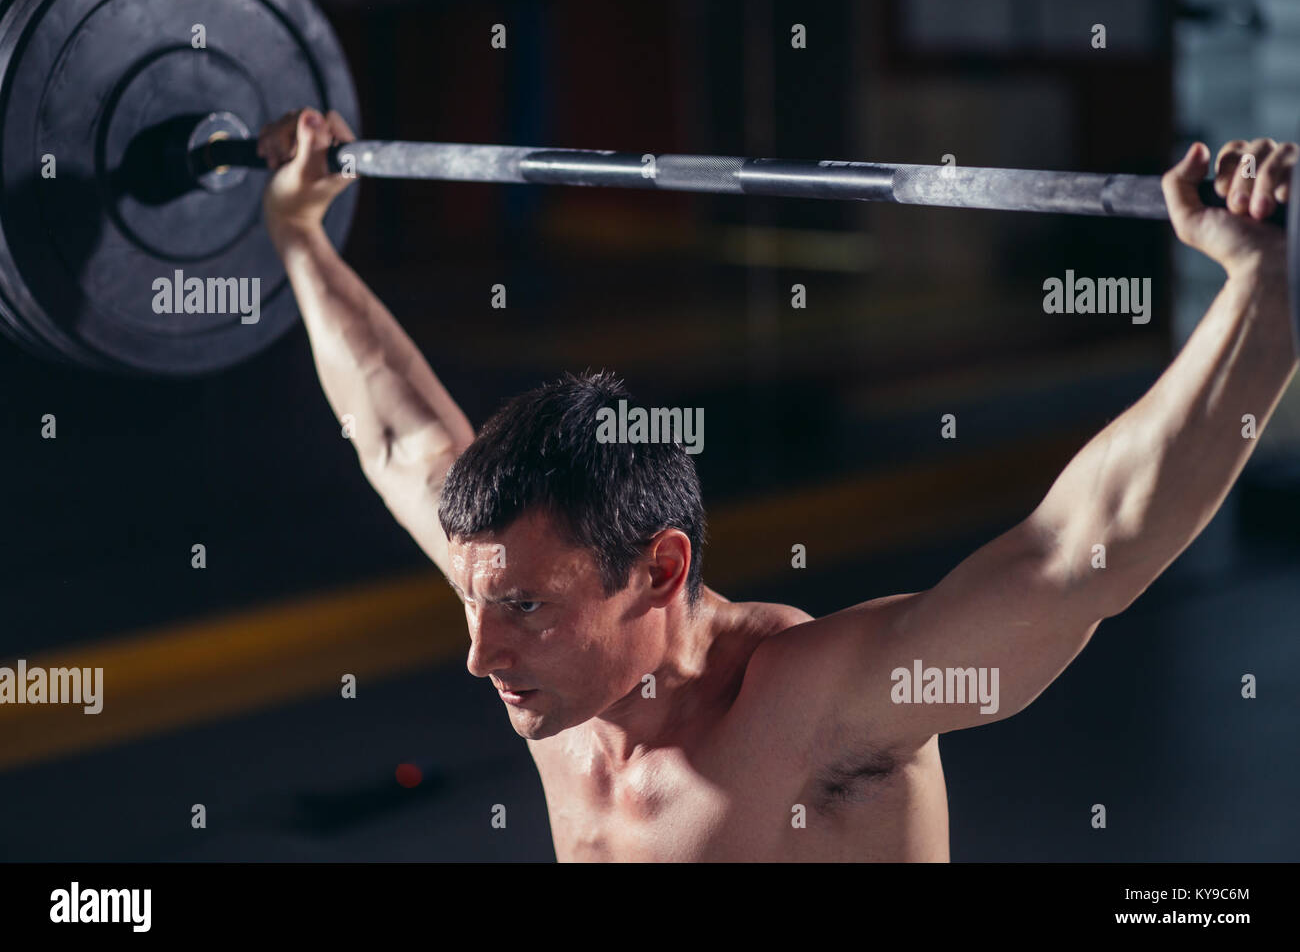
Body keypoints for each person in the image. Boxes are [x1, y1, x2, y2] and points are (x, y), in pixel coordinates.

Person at [259, 109, 1297, 860]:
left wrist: (1266, 287)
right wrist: (299, 235)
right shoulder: (546, 648)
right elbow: (398, 438)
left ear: (660, 569)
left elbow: (1074, 556)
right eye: (479, 599)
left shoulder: (821, 710)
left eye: (525, 605)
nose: (480, 652)